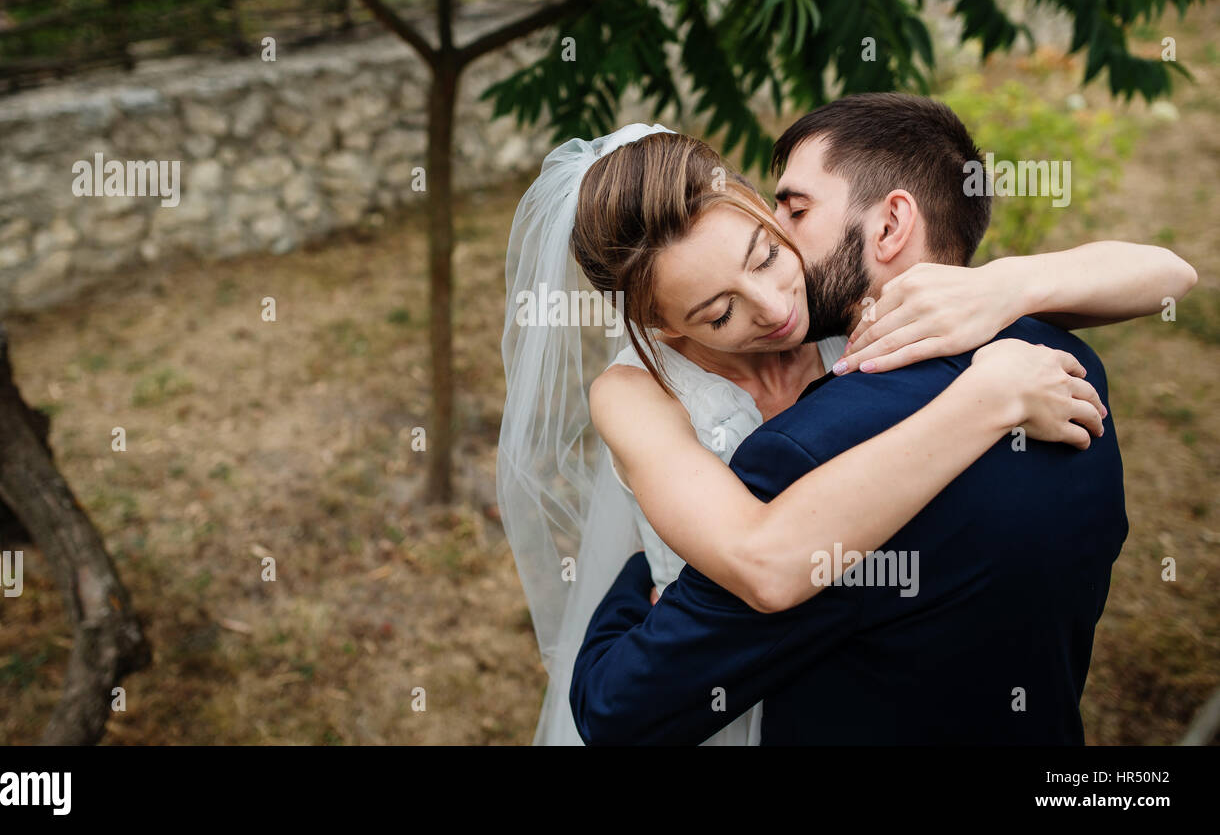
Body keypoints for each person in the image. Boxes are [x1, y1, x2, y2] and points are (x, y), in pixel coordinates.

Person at [498, 101, 1195, 745]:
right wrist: (988, 400)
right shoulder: (635, 392)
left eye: (768, 252)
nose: (773, 307)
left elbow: (1169, 272)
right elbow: (761, 564)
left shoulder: (853, 306)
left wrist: (1005, 283)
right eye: (717, 314)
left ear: (754, 208)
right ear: (658, 323)